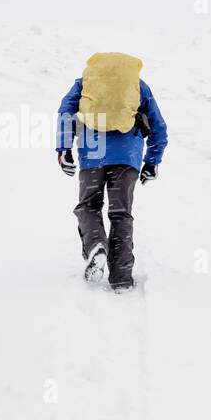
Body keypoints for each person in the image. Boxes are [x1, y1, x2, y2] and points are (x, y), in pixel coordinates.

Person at [55, 53, 167, 291]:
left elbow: (66, 110)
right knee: (120, 214)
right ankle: (122, 279)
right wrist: (151, 161)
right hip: (127, 157)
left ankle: (96, 245)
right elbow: (158, 125)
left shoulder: (85, 82)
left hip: (92, 153)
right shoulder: (137, 85)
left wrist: (64, 148)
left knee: (88, 206)